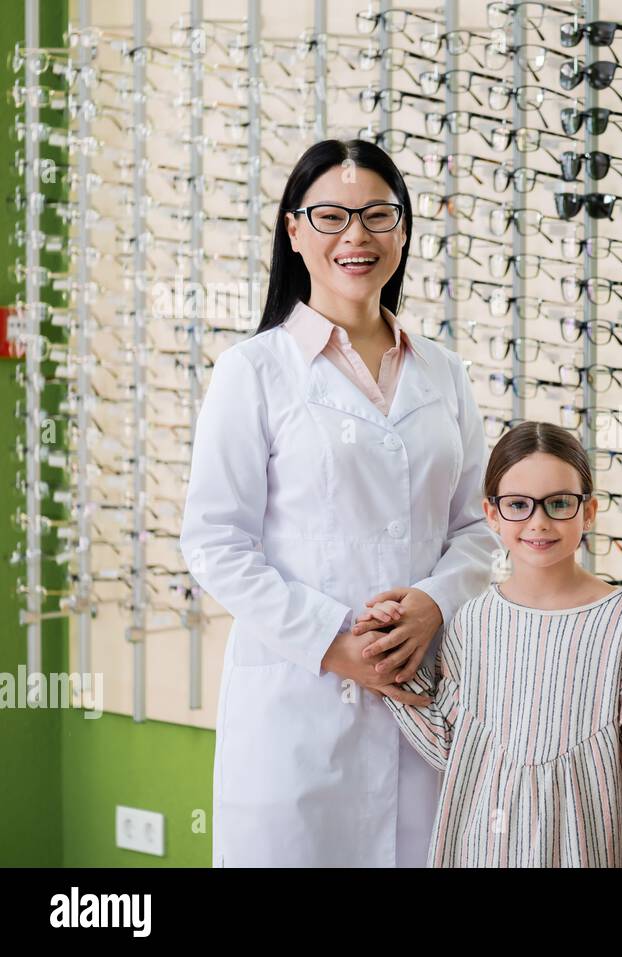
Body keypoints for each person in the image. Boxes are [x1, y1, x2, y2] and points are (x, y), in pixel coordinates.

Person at [179, 139, 497, 866]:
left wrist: (433, 603)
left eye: (378, 215)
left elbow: (477, 525)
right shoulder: (252, 372)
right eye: (330, 216)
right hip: (299, 703)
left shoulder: (443, 371)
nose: (356, 236)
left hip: (426, 698)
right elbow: (216, 543)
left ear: (405, 231)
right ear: (294, 232)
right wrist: (334, 643)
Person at [375, 422, 622, 866]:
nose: (539, 522)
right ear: (492, 514)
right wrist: (387, 655)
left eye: (558, 503)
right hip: (478, 849)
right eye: (518, 504)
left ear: (588, 513)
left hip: (580, 848)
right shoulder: (472, 620)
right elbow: (448, 743)